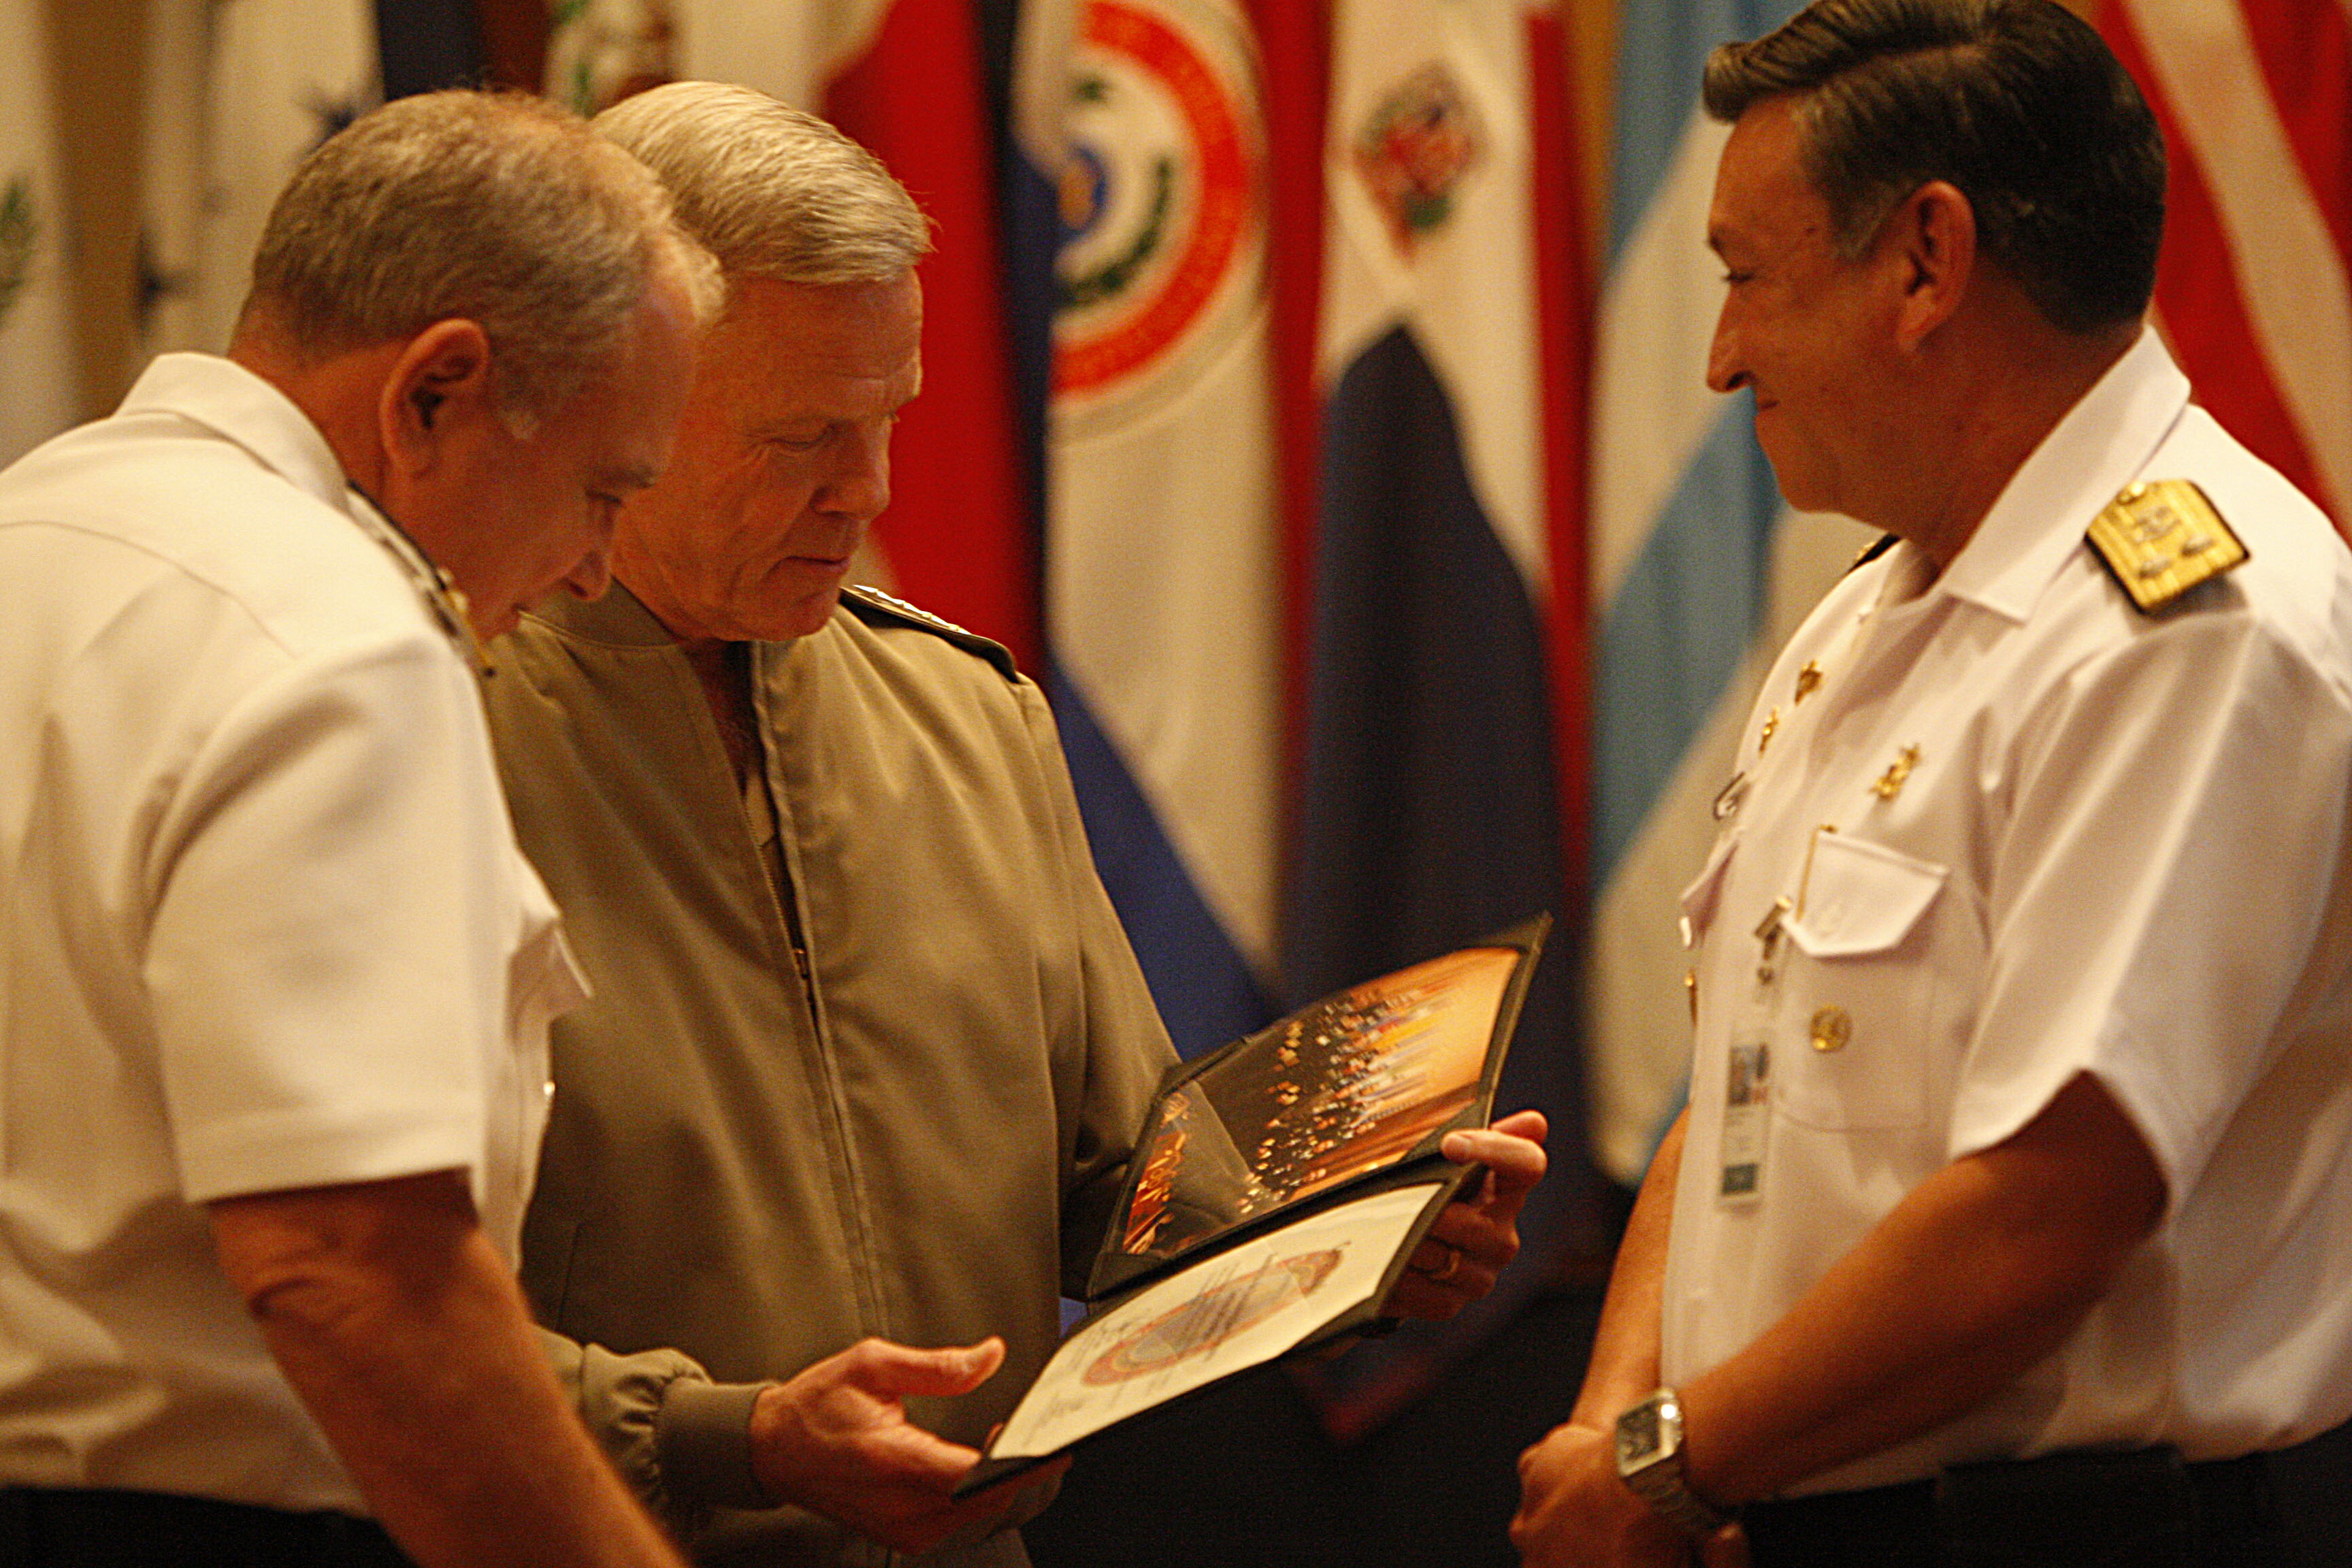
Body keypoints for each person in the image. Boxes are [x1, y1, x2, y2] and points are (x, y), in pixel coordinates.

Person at [481, 81, 1548, 1567]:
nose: (868, 494)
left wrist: (1362, 1234)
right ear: (625, 388)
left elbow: (1128, 1190)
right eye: (801, 441)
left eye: (890, 421)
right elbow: (356, 1301)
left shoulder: (970, 716)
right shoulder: (434, 734)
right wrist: (736, 1436)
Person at [1511, 2, 2352, 1565]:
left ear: (1925, 263)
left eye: (1747, 277)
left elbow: (2048, 1209)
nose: (1718, 356)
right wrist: (1622, 1433)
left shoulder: (2184, 629)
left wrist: (1668, 1466)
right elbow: (1742, 1082)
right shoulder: (1868, 621)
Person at [0, 91, 718, 1568]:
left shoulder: (38, 532)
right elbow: (352, 1274)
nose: (595, 571)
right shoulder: (336, 638)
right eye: (600, 491)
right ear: (435, 396)